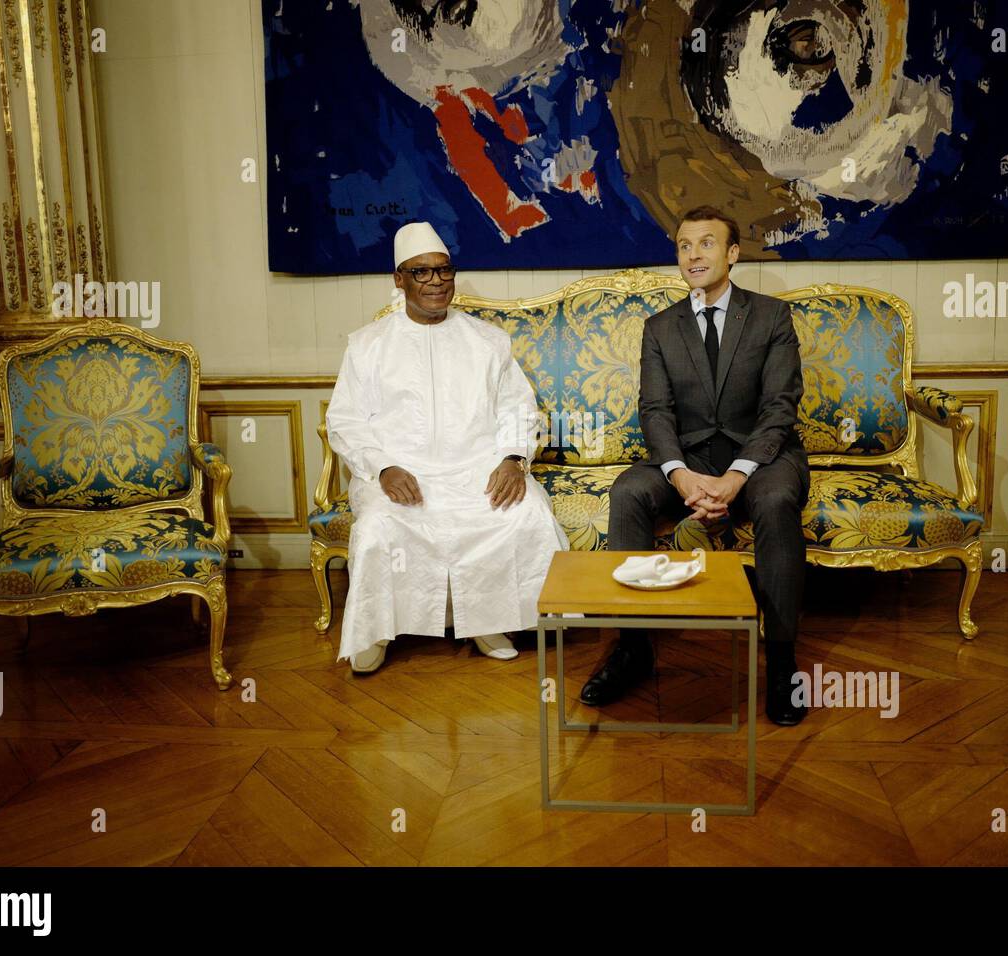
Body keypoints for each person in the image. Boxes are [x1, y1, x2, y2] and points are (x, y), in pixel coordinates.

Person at [584, 205, 811, 725]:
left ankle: (782, 663)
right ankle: (633, 648)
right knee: (628, 492)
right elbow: (655, 410)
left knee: (777, 500)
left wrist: (736, 476)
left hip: (762, 457)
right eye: (684, 246)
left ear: (732, 253)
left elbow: (779, 407)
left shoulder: (771, 317)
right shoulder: (660, 327)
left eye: (706, 243)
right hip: (687, 457)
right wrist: (681, 474)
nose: (693, 255)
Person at [325, 221, 568, 673]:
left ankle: (489, 620)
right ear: (399, 279)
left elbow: (518, 407)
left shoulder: (488, 341)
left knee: (526, 513)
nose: (436, 281)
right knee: (379, 527)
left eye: (444, 270)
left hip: (476, 469)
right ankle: (376, 629)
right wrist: (383, 468)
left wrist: (513, 458)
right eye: (421, 272)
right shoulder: (367, 345)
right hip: (400, 474)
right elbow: (345, 420)